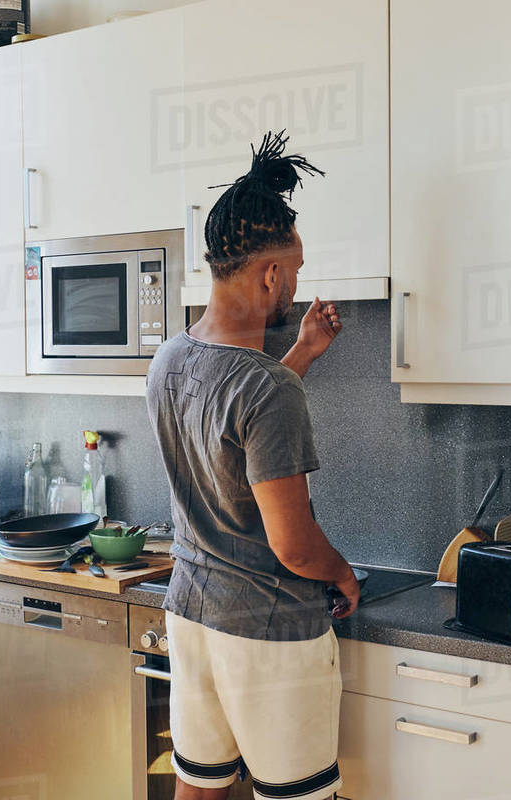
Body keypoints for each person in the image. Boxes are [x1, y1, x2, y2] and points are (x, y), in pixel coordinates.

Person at [146, 130, 359, 800]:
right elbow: (294, 548)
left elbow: (227, 428)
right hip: (268, 634)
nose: (295, 282)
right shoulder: (268, 390)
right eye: (293, 269)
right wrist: (343, 573)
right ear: (270, 274)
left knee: (198, 788)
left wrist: (301, 355)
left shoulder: (170, 360)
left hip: (191, 614)